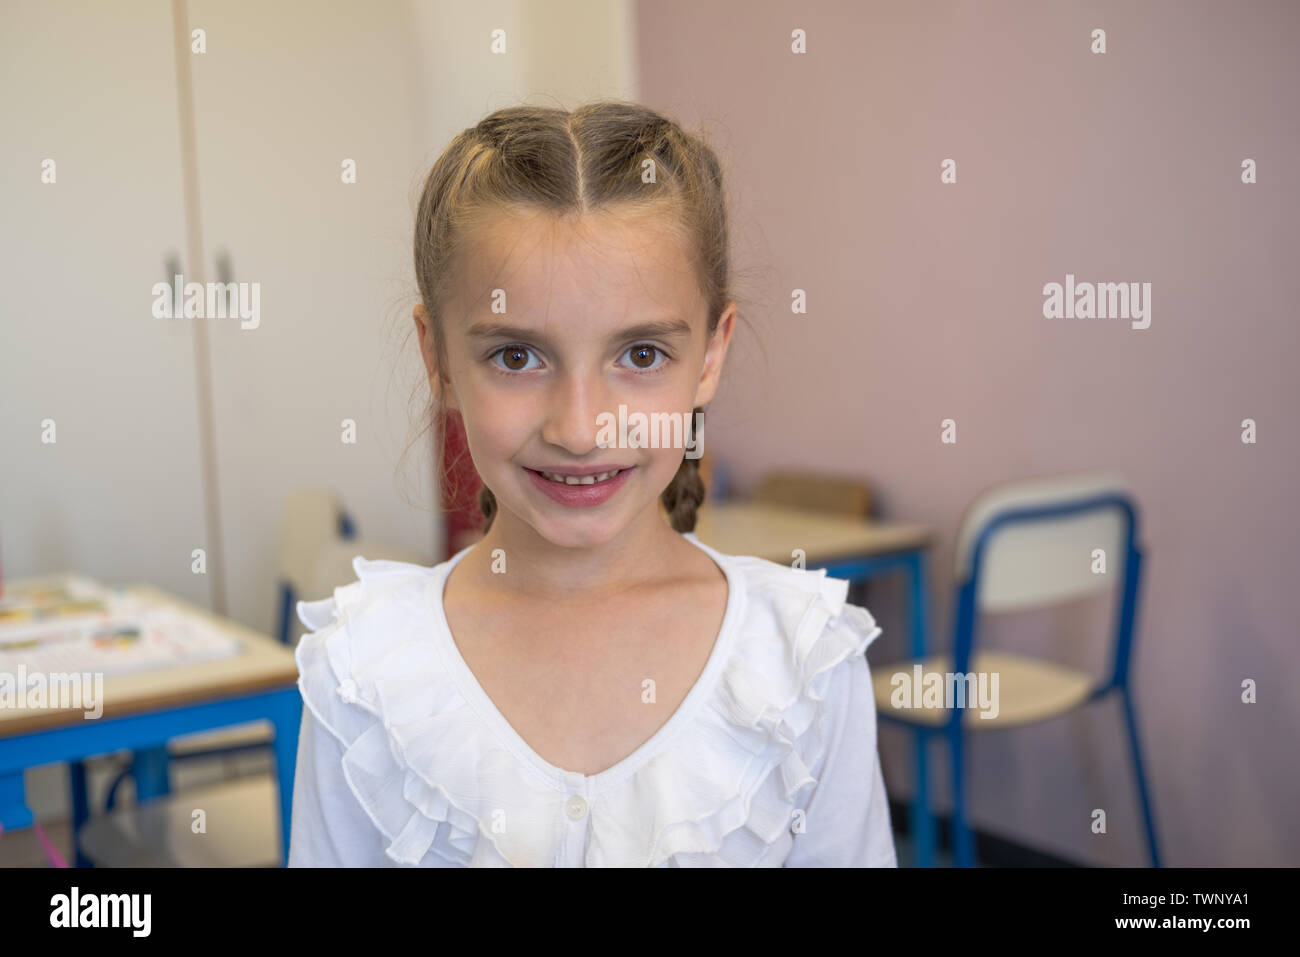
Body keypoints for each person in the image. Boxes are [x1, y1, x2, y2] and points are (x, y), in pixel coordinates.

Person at [288, 101, 896, 867]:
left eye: (640, 355)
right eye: (517, 356)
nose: (581, 428)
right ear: (438, 359)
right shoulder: (364, 677)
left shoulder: (804, 667)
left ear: (710, 356)